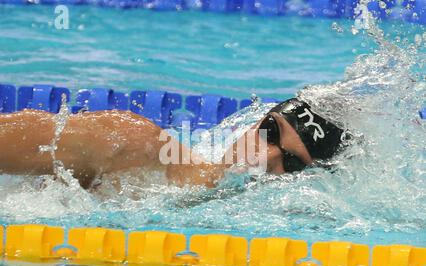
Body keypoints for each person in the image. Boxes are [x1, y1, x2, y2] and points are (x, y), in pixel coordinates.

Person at [0, 97, 346, 189]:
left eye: (294, 163)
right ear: (256, 120)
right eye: (270, 131)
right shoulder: (136, 142)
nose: (265, 155)